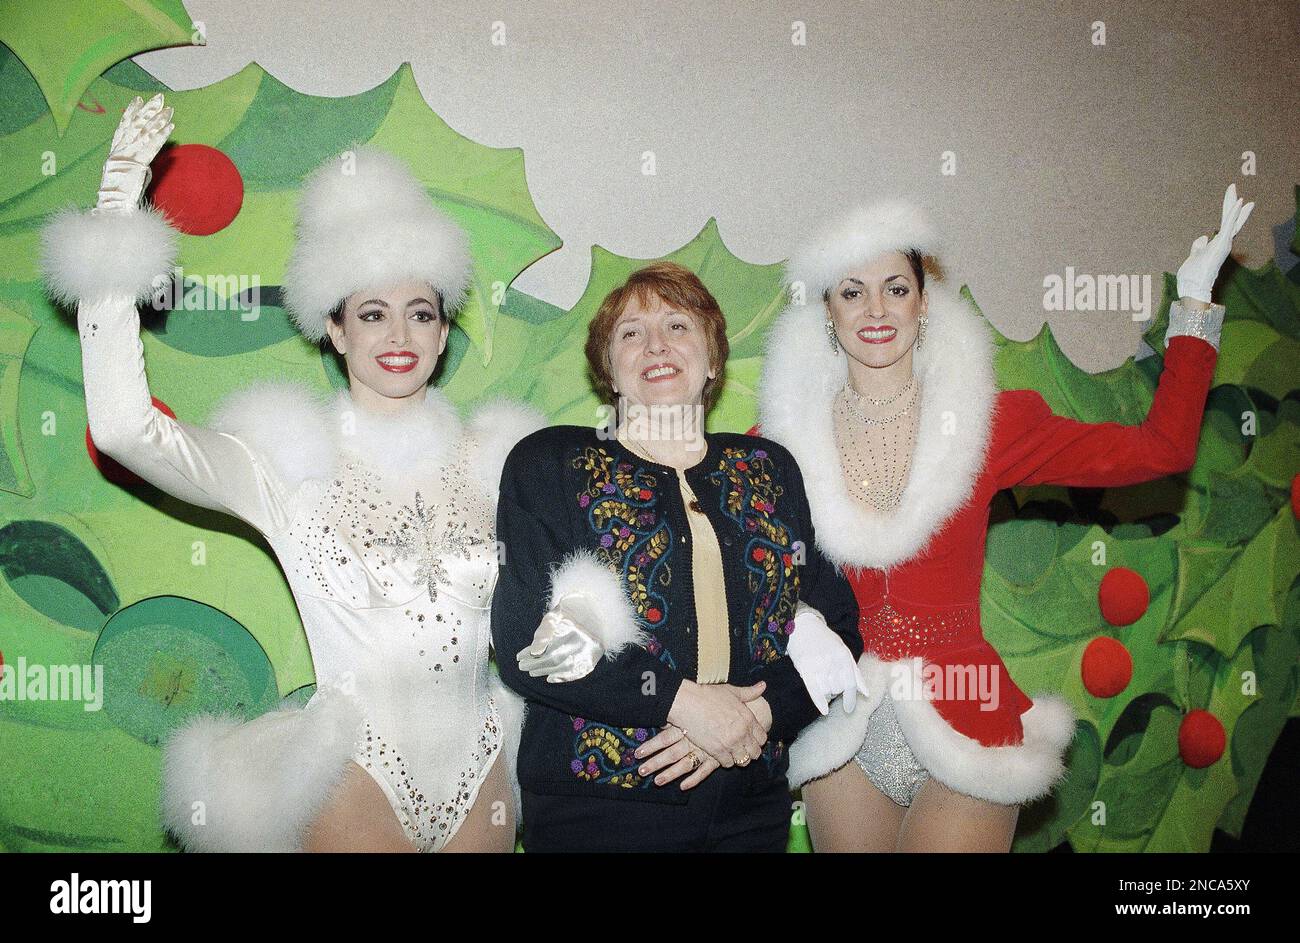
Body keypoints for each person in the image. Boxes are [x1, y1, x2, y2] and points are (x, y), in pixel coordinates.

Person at [39, 93, 544, 852]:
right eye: (371, 313)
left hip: (486, 774)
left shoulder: (504, 460)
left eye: (422, 311)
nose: (399, 334)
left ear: (445, 332)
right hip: (352, 773)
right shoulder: (286, 457)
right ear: (333, 328)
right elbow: (122, 429)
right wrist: (114, 240)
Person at [757, 189, 1252, 852]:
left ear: (923, 301)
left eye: (895, 288)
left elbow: (1161, 449)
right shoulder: (778, 442)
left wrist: (1194, 307)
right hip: (842, 722)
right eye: (852, 292)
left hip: (970, 719)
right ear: (827, 309)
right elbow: (717, 553)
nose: (875, 310)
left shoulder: (987, 421)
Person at [491, 261, 865, 852]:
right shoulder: (549, 464)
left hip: (749, 803)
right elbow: (522, 649)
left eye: (678, 326)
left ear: (713, 359)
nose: (656, 345)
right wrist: (680, 703)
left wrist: (754, 719)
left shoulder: (769, 469)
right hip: (598, 811)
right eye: (631, 333)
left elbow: (838, 626)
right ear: (608, 369)